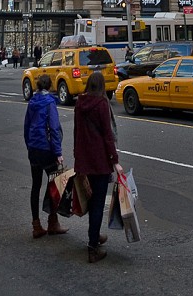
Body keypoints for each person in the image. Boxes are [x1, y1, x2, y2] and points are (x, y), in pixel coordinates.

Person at [74, 70, 121, 263]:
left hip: (84, 160)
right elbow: (107, 135)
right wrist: (115, 160)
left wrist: (77, 157)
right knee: (97, 204)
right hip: (100, 161)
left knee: (90, 201)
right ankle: (92, 246)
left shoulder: (79, 103)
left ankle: (95, 235)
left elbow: (76, 132)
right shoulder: (102, 104)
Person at [24, 73, 68, 239]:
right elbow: (54, 128)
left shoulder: (32, 102)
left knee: (36, 185)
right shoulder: (49, 102)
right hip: (46, 149)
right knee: (54, 185)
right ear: (49, 86)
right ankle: (52, 221)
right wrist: (58, 152)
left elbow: (26, 126)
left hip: (34, 148)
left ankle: (36, 224)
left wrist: (29, 145)